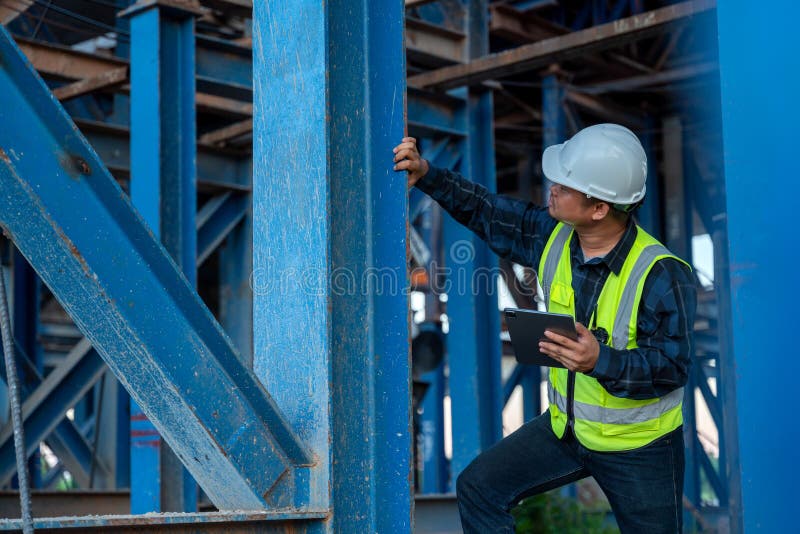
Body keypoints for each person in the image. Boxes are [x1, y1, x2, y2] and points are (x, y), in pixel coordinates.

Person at [393, 124, 697, 534]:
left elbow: (672, 367)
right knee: (478, 489)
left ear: (599, 209)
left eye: (566, 186)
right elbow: (487, 210)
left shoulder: (661, 274)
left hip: (639, 447)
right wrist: (428, 175)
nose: (551, 187)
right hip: (566, 429)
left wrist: (599, 360)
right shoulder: (551, 233)